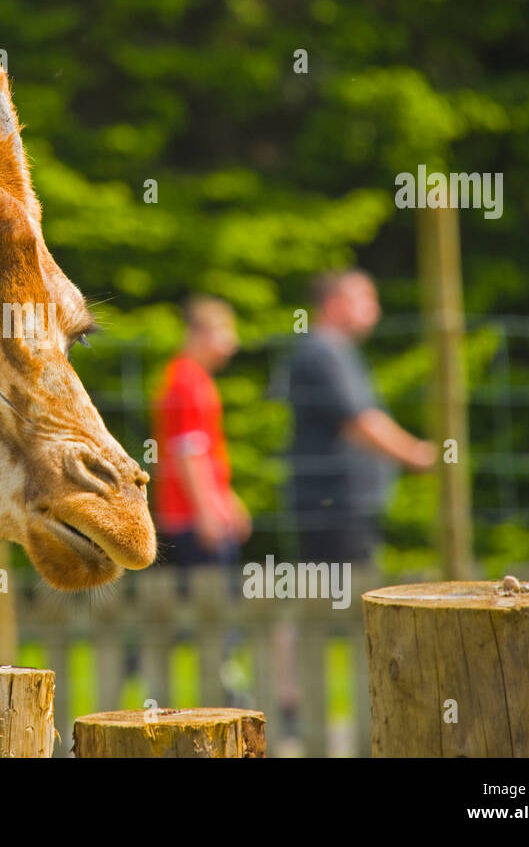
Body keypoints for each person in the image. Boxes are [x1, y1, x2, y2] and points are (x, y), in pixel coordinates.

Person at [274, 268, 435, 752]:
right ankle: (293, 697)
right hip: (333, 502)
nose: (376, 310)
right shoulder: (323, 351)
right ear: (335, 302)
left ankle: (291, 695)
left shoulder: (335, 351)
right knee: (343, 594)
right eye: (366, 298)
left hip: (339, 502)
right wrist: (418, 454)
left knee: (326, 592)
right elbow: (358, 421)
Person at [150, 296, 250, 567]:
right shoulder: (188, 382)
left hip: (192, 513)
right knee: (213, 601)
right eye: (225, 332)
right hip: (191, 517)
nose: (233, 343)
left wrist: (229, 500)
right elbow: (187, 452)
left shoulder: (189, 377)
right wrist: (206, 512)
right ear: (201, 333)